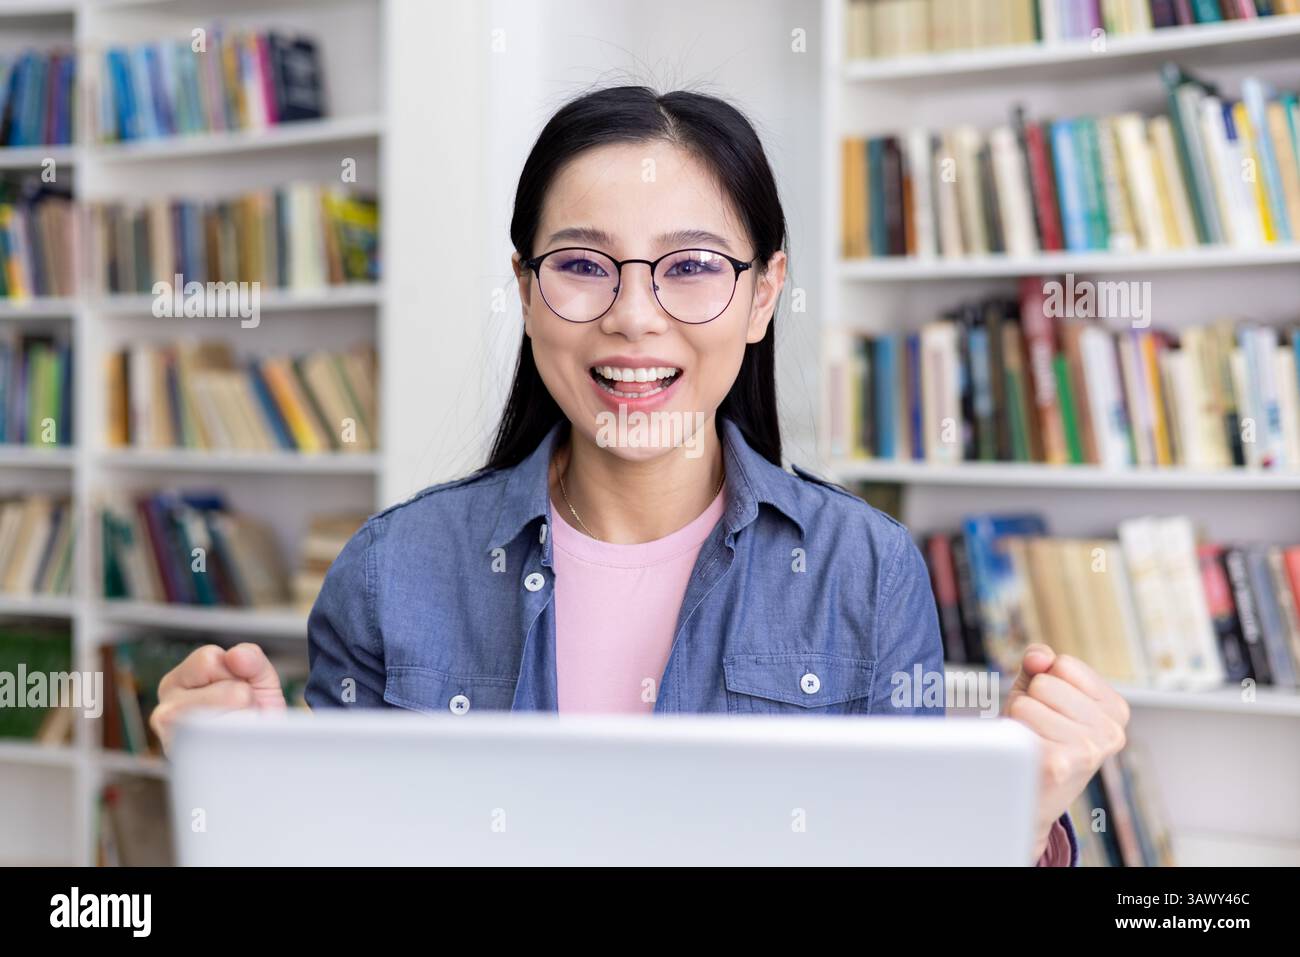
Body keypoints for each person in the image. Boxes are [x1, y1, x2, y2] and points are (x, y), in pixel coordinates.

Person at [151, 85, 1129, 866]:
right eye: (583, 264)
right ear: (526, 294)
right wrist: (245, 792)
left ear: (762, 297)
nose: (633, 316)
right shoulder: (391, 569)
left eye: (691, 267)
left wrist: (1014, 817)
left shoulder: (862, 570)